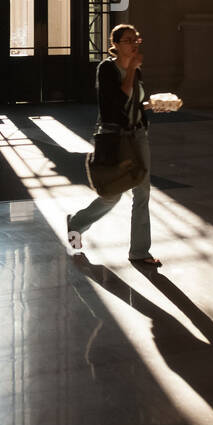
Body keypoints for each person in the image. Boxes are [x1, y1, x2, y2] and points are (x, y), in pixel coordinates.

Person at [66, 24, 160, 266]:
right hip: (115, 138)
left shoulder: (135, 71)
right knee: (112, 195)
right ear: (116, 44)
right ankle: (77, 223)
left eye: (135, 39)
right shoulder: (107, 68)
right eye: (128, 40)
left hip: (138, 135)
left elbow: (134, 103)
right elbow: (118, 99)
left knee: (142, 192)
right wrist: (132, 69)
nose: (134, 43)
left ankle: (140, 251)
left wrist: (152, 106)